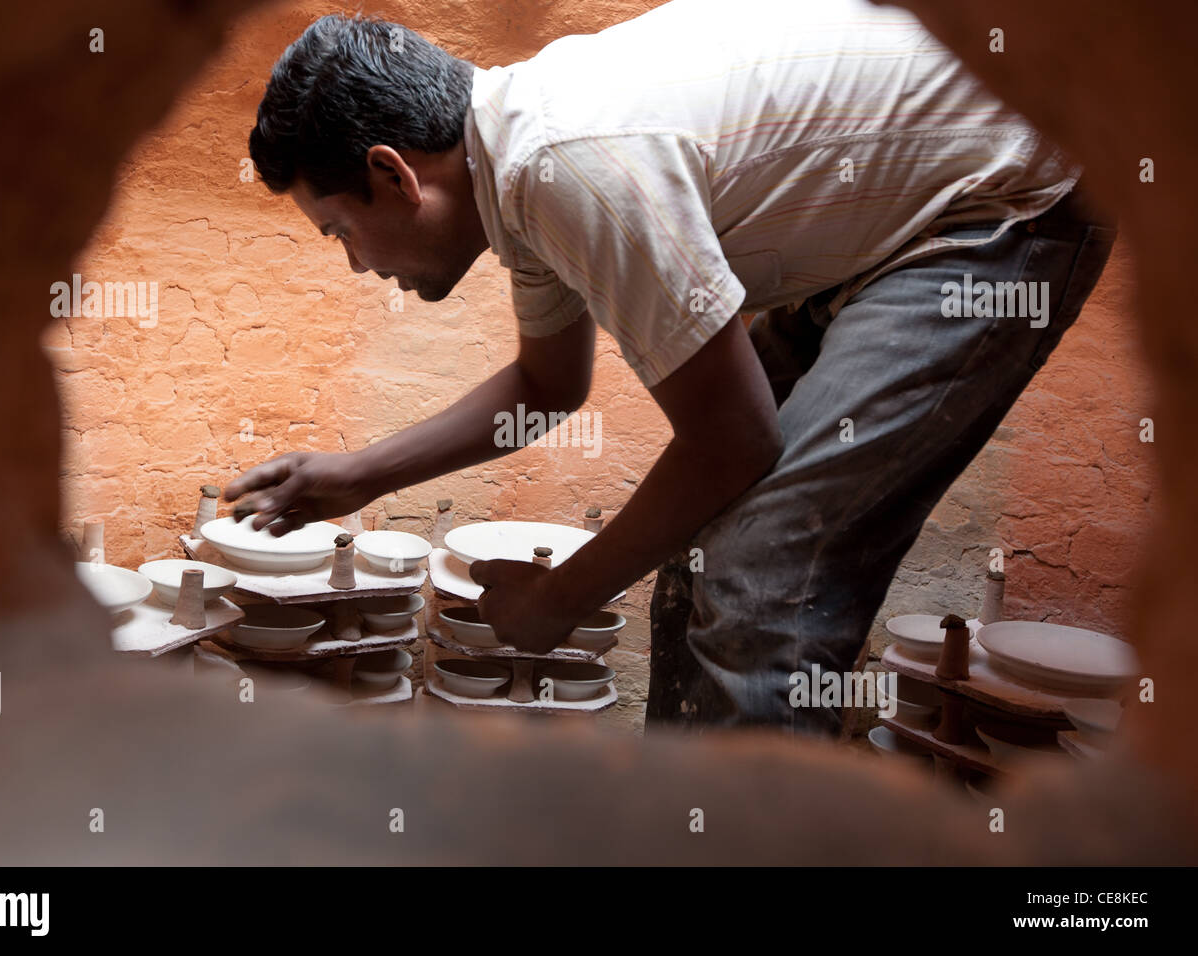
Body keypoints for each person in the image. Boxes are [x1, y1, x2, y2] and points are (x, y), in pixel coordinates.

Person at [228, 0, 1116, 734]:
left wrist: (560, 598)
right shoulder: (513, 165)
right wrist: (358, 474)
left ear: (393, 175)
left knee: (763, 576)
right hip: (892, 228)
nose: (355, 263)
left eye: (339, 230)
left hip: (1001, 206)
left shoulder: (564, 160)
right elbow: (548, 388)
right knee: (695, 556)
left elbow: (732, 441)